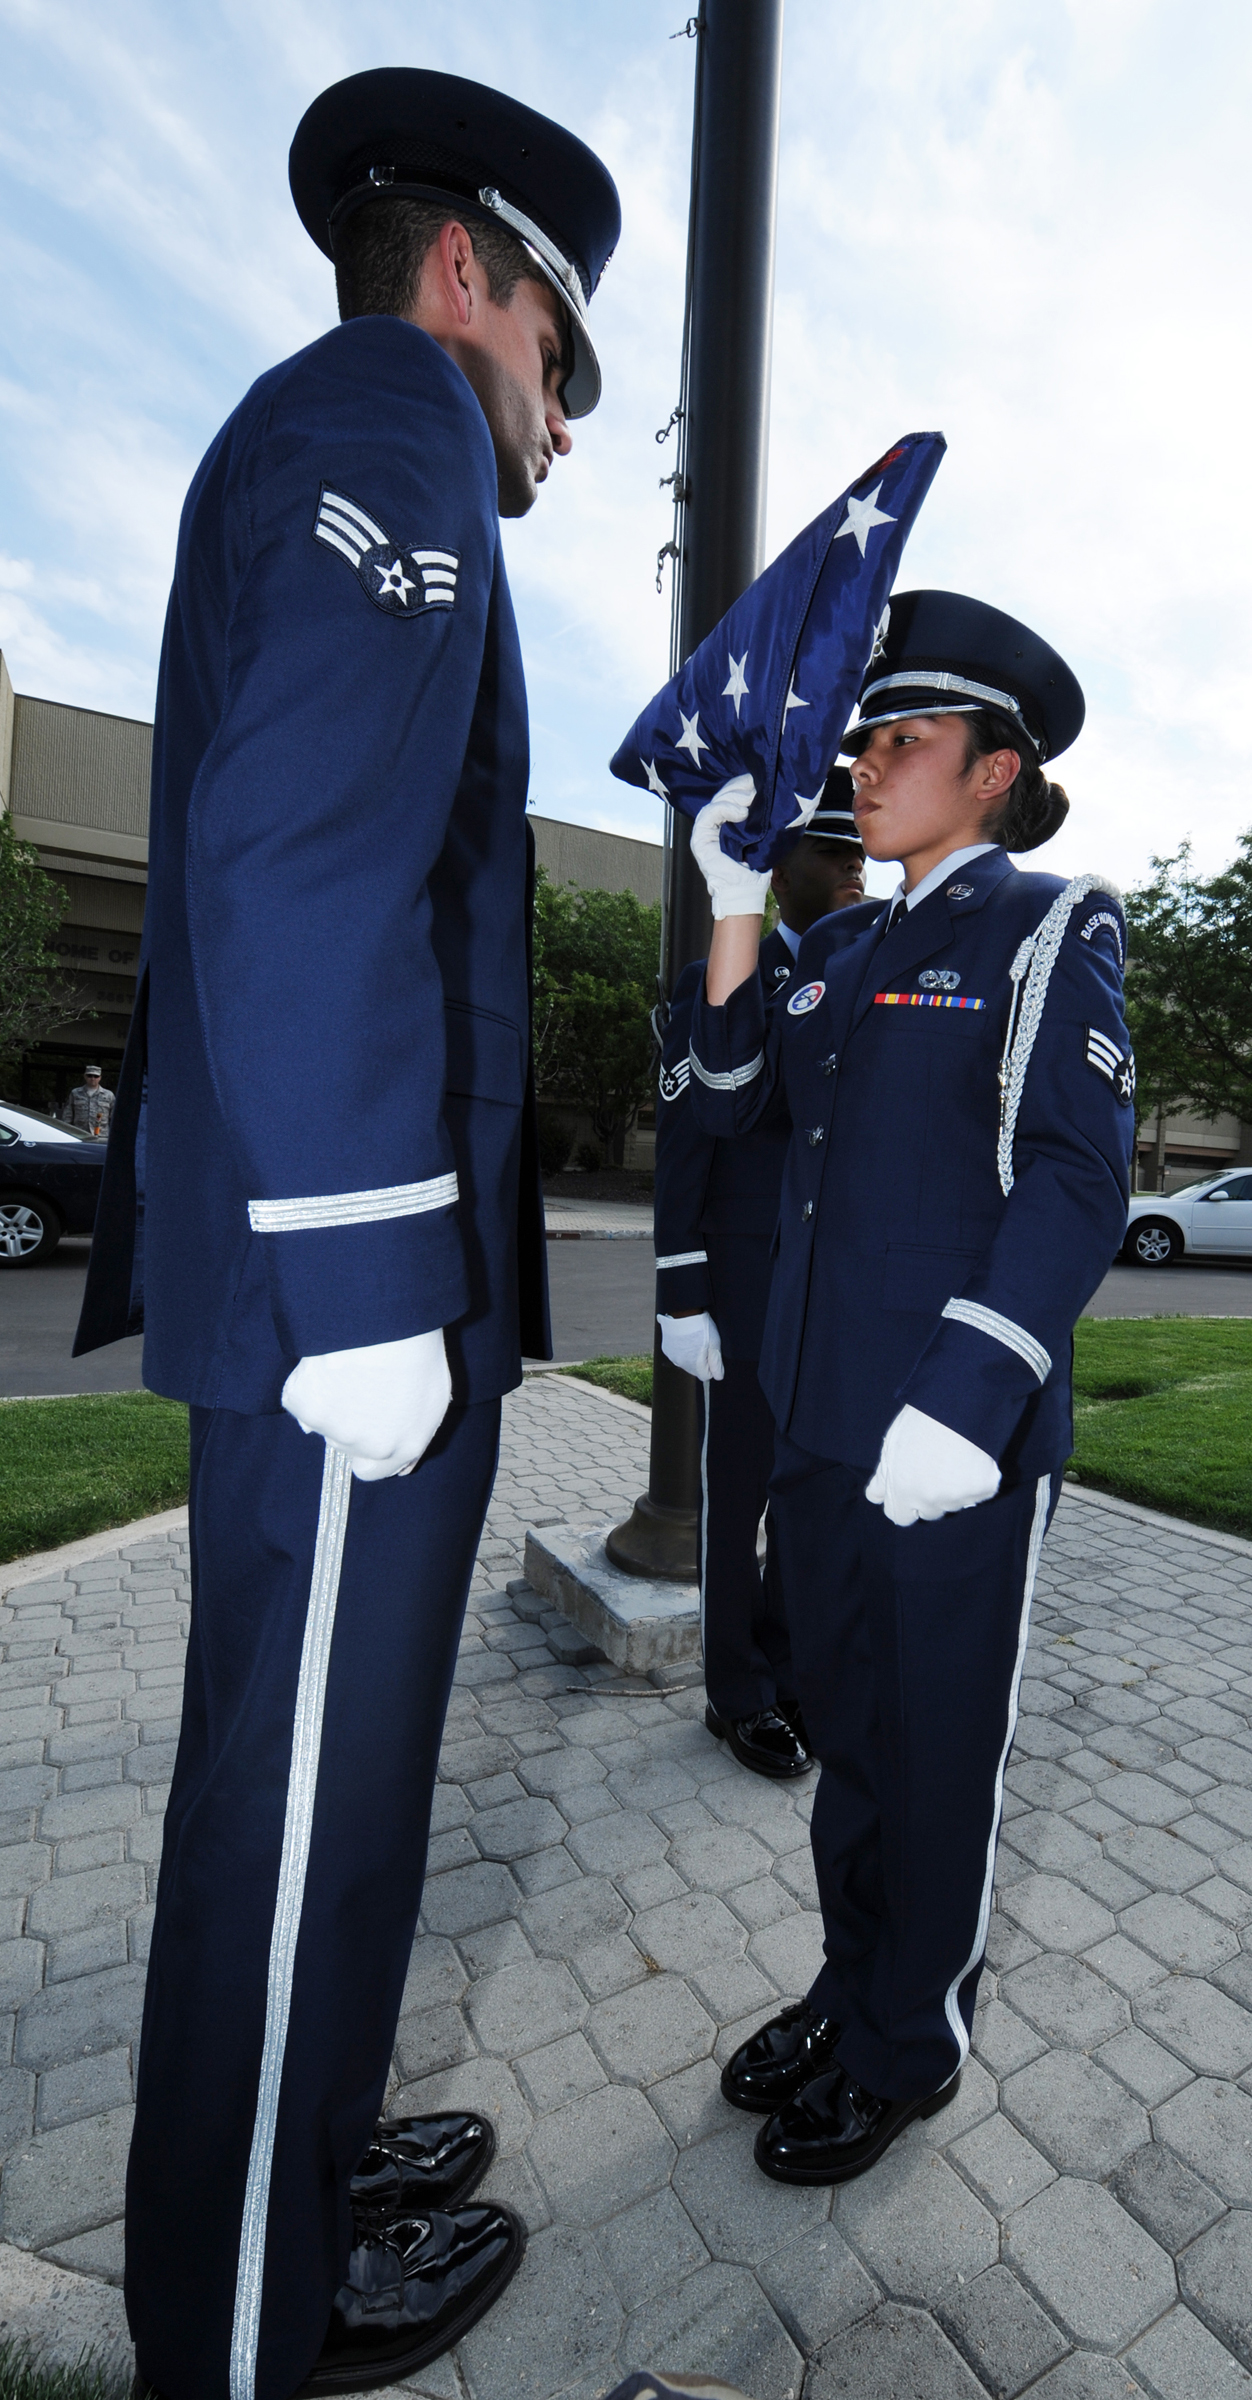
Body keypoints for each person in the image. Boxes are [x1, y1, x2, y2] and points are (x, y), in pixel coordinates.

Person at [72, 67, 620, 2400]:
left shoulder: (357, 424)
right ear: (467, 272)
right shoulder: (388, 416)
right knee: (291, 1827)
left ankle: (285, 2157)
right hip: (340, 1319)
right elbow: (294, 858)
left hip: (327, 1287)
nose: (564, 431)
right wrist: (383, 1282)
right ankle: (233, 2321)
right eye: (562, 366)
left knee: (327, 1805)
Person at [684, 591, 1134, 2182]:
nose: (865, 764)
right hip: (818, 1418)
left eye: (903, 739)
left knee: (938, 1751)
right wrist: (738, 910)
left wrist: (971, 1390)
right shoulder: (845, 946)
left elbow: (1078, 1182)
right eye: (867, 738)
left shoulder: (1050, 925)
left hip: (952, 1437)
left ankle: (911, 2037)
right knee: (850, 1736)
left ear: (994, 773)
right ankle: (846, 1978)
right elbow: (726, 1103)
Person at [654, 771, 865, 1777]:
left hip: (829, 1281)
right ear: (777, 870)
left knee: (806, 1485)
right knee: (736, 1493)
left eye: (858, 850)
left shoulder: (865, 976)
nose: (853, 867)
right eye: (833, 852)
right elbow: (687, 1142)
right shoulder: (718, 976)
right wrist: (680, 1289)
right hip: (739, 1279)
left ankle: (784, 1672)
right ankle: (733, 1694)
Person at [61, 1064, 114, 1137]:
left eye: (96, 1076)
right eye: (90, 1075)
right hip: (79, 1134)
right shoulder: (75, 1093)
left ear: (100, 1078)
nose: (92, 1078)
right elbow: (68, 1115)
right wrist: (65, 1132)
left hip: (102, 1135)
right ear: (85, 1076)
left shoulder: (109, 1095)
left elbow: (114, 1117)